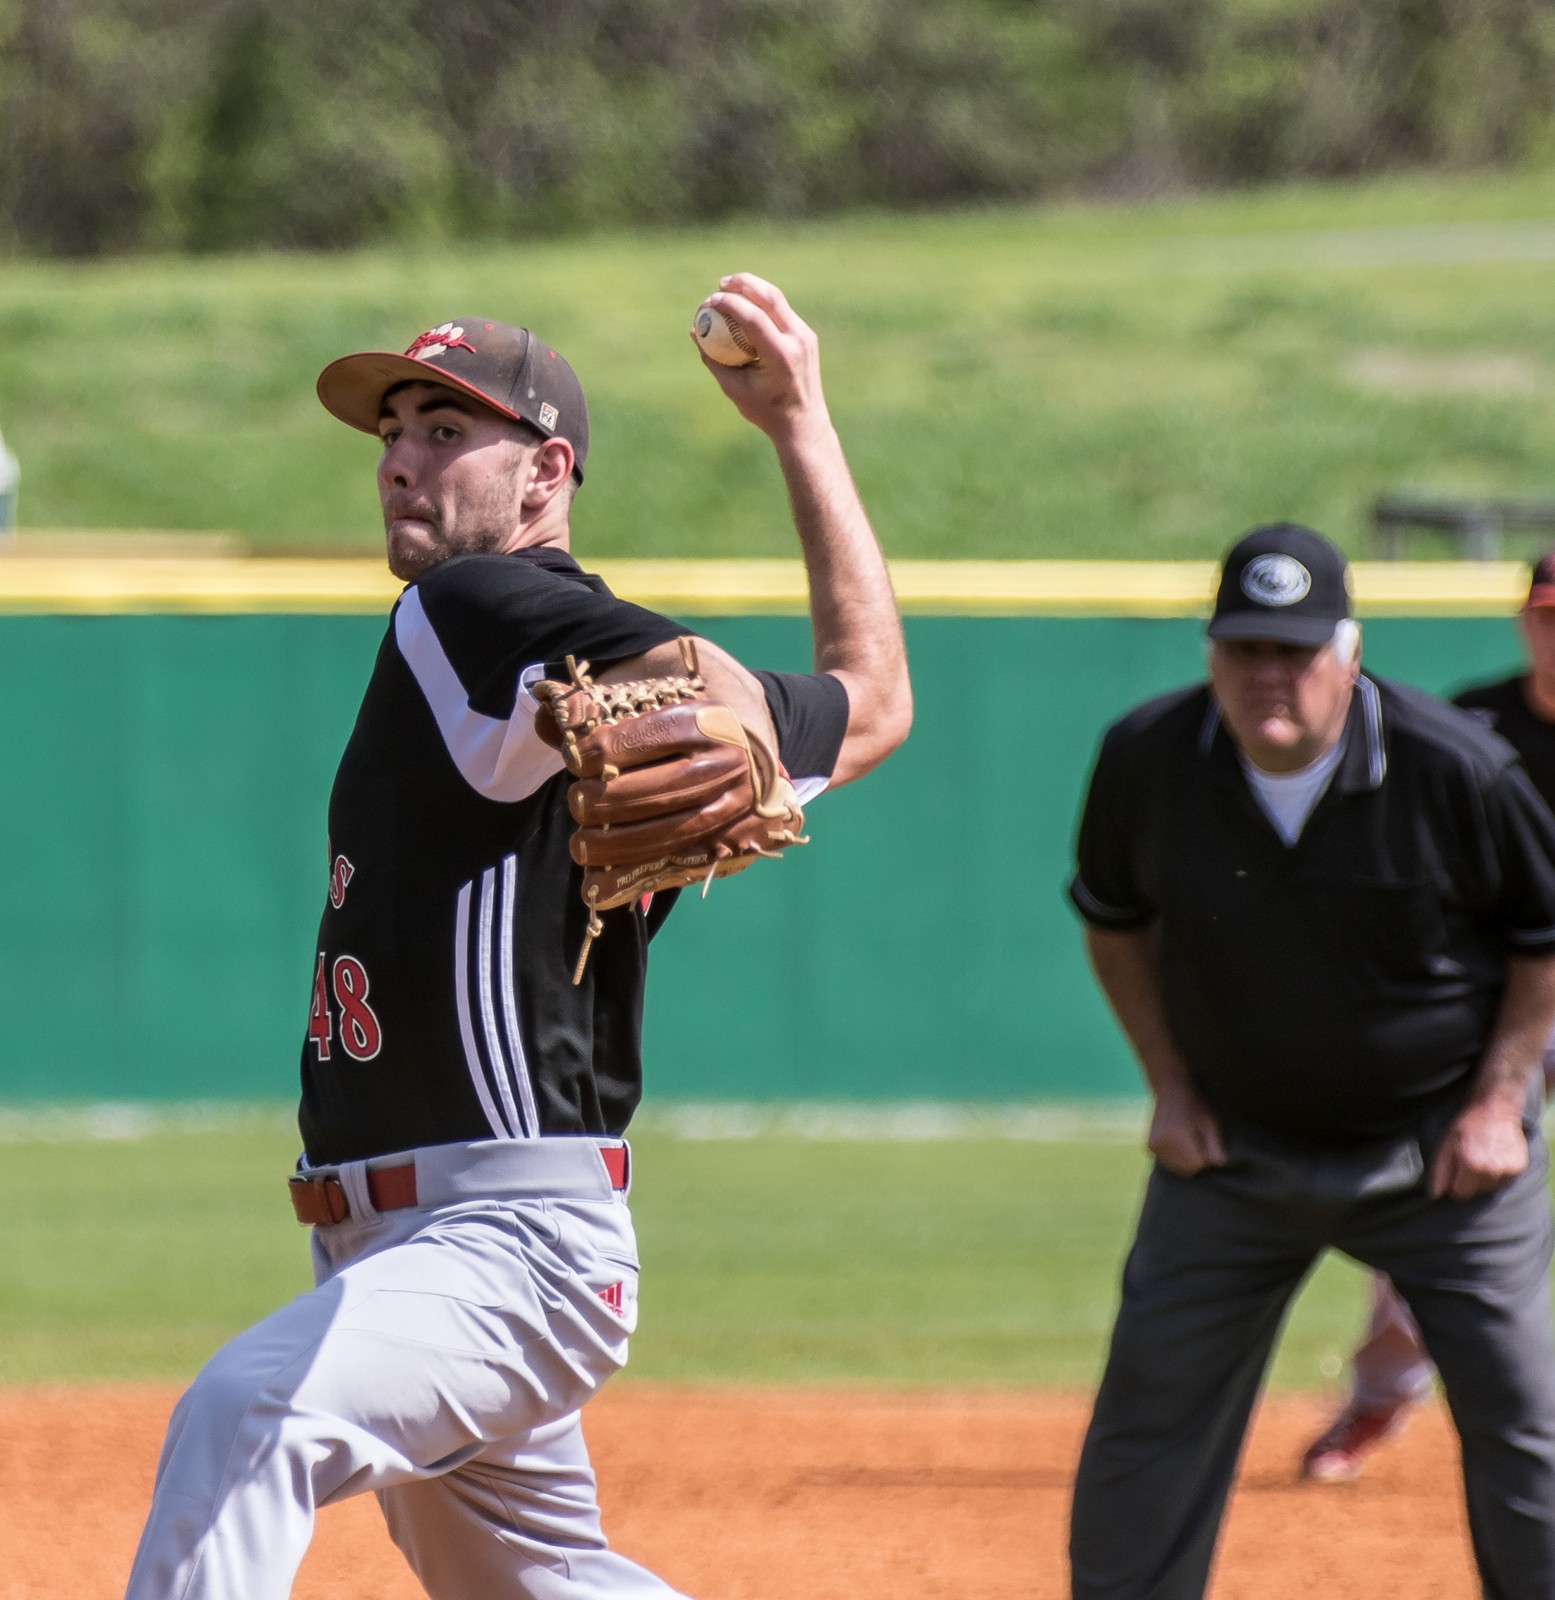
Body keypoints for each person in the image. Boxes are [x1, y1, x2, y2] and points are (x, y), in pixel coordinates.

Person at [122, 276, 911, 1600]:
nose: (399, 462)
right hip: (419, 1248)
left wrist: (715, 696)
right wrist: (799, 431)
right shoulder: (510, 659)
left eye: (444, 431)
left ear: (546, 470)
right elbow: (873, 701)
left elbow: (708, 680)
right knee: (544, 1591)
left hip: (500, 1243)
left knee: (244, 1418)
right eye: (390, 434)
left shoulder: (469, 605)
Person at [1066, 522, 1555, 1600]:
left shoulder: (1454, 764)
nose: (1267, 675)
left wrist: (1498, 1103)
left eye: (1294, 650)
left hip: (1440, 1156)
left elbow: (1541, 936)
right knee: (1146, 1421)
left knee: (1531, 1428)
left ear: (1348, 649)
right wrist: (1170, 1085)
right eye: (1244, 648)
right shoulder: (1150, 757)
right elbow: (1113, 916)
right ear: (1210, 653)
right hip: (1233, 1151)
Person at [1301, 548, 1555, 1482]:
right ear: (1524, 620)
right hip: (1504, 1005)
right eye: (1546, 614)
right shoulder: (1473, 727)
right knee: (1436, 1194)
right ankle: (1377, 1401)